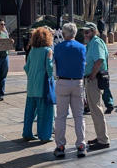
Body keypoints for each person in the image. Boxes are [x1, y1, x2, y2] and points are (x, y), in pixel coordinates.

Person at [53, 22, 87, 158]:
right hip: (78, 82)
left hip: (63, 81)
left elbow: (55, 64)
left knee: (61, 116)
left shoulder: (58, 47)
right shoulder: (82, 47)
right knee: (79, 115)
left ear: (64, 33)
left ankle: (60, 146)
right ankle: (81, 145)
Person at [22, 27, 55, 142]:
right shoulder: (48, 50)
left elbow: (26, 67)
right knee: (45, 113)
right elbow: (49, 67)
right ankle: (45, 135)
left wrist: (32, 76)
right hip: (43, 87)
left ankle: (27, 133)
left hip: (31, 86)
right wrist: (53, 77)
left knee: (29, 112)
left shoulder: (32, 50)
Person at [83, 22, 110, 150]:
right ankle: (100, 136)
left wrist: (93, 74)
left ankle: (103, 140)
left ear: (93, 31)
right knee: (94, 109)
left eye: (87, 32)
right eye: (84, 32)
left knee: (96, 109)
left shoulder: (96, 43)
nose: (85, 34)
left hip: (94, 79)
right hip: (92, 78)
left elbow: (100, 59)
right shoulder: (91, 43)